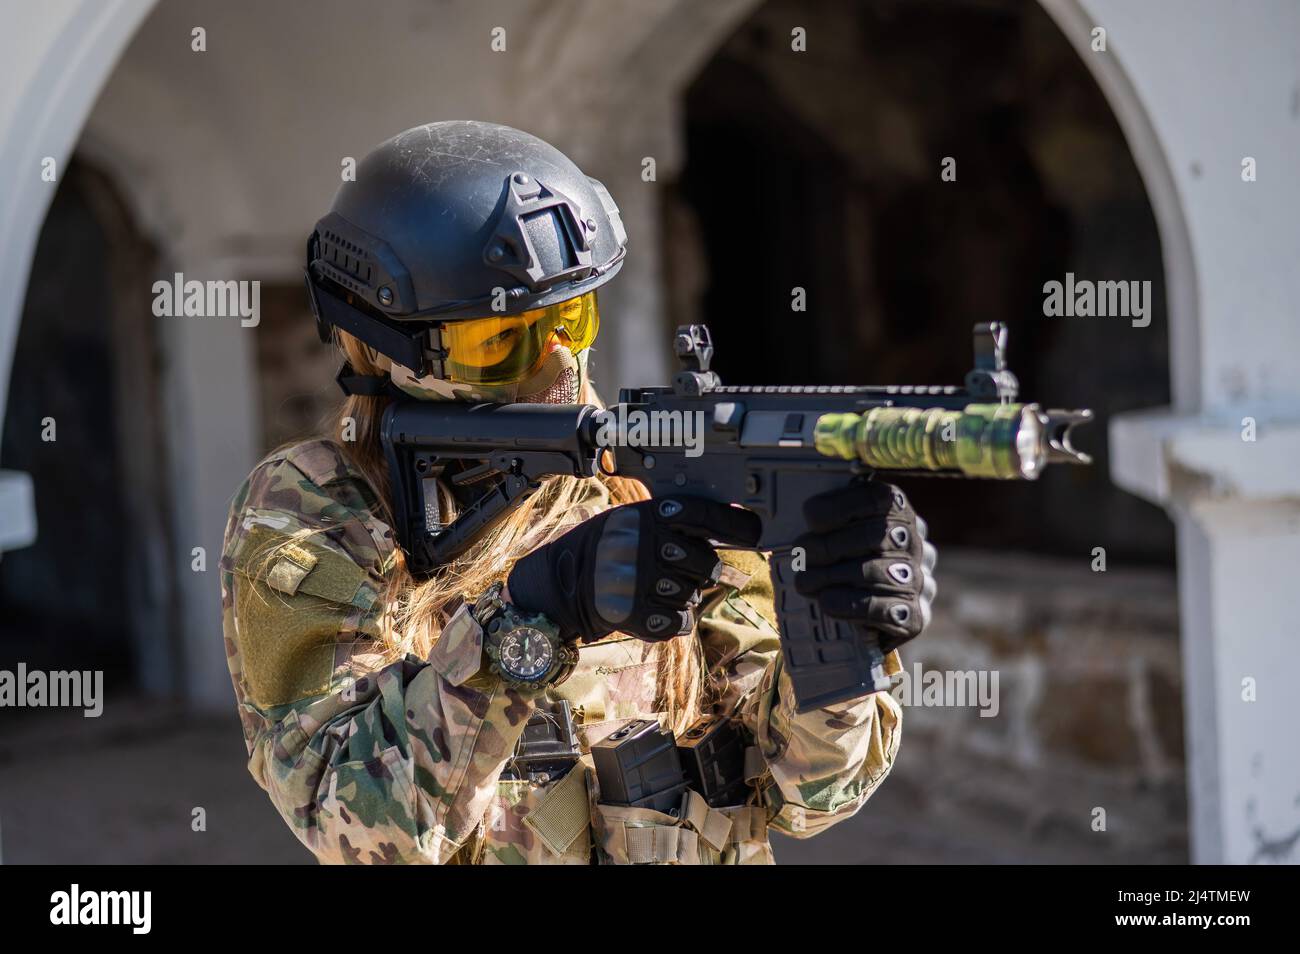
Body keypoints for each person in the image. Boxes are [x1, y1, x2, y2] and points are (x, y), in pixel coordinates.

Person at [220, 121, 937, 864]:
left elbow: (803, 796)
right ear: (383, 346)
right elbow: (356, 823)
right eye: (500, 342)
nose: (556, 363)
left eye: (570, 319)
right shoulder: (316, 512)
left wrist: (836, 634)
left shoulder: (651, 481)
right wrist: (531, 619)